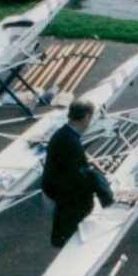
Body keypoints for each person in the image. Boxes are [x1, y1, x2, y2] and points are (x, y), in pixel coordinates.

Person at [41, 99, 113, 247]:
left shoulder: (62, 134)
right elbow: (76, 175)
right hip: (59, 193)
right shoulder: (71, 141)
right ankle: (69, 243)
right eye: (90, 118)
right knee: (84, 206)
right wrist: (102, 188)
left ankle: (64, 237)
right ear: (86, 116)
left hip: (52, 187)